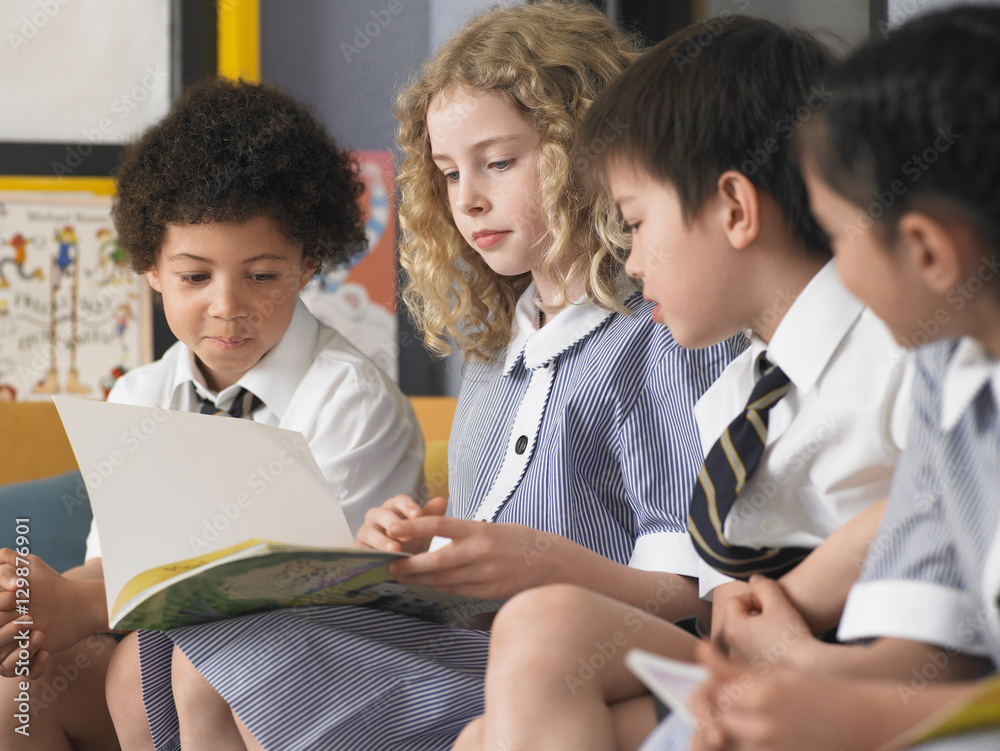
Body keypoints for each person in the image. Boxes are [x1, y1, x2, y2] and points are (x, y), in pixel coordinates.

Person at [116, 3, 740, 750]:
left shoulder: (665, 333)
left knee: (241, 662)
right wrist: (409, 553)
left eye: (498, 162)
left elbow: (692, 593)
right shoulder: (495, 354)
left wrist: (538, 564)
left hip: (583, 660)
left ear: (588, 150)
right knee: (207, 653)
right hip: (478, 645)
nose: (468, 197)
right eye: (447, 173)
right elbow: (474, 561)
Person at [456, 15, 925, 751]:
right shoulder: (735, 395)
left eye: (637, 224)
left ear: (735, 209)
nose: (633, 262)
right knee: (493, 717)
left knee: (540, 627)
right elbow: (721, 618)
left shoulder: (901, 346)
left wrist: (795, 618)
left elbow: (951, 485)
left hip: (863, 665)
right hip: (748, 660)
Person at [0, 77, 424, 751]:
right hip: (157, 658)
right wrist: (34, 601)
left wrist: (80, 601)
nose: (227, 305)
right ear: (150, 268)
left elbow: (297, 589)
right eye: (195, 276)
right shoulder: (135, 395)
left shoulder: (351, 400)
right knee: (13, 696)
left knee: (166, 667)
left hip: (311, 667)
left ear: (308, 261)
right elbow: (112, 567)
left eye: (261, 275)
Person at [669, 6, 1000, 750]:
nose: (831, 272)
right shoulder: (952, 378)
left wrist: (855, 713)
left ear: (926, 252)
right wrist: (797, 678)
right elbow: (923, 648)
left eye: (837, 233)